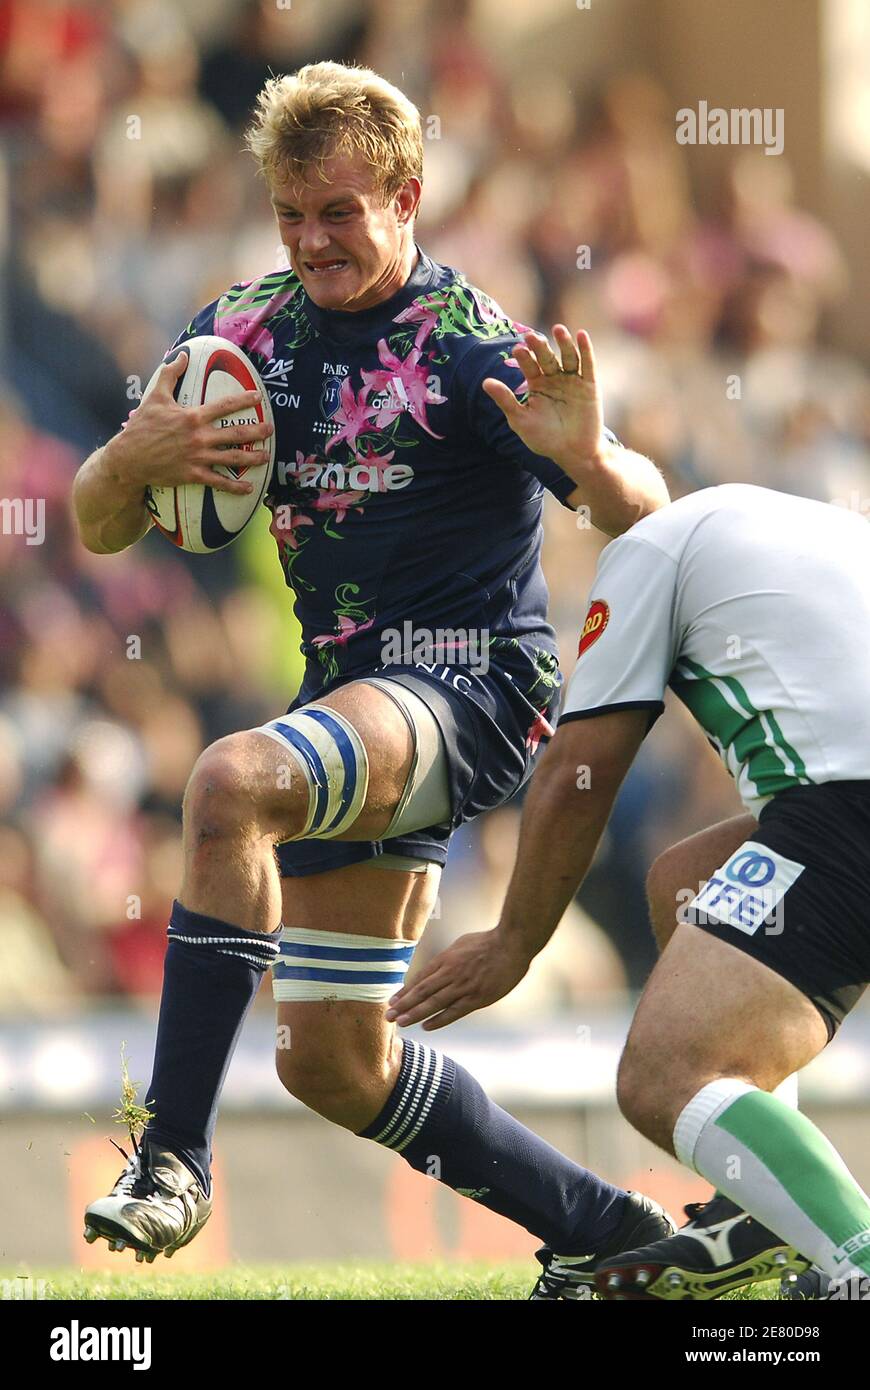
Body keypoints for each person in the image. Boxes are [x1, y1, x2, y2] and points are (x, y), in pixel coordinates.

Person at [71, 61, 671, 1298]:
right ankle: (618, 1234)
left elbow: (643, 510)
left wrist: (593, 461)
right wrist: (136, 454)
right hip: (352, 699)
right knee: (332, 1061)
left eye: (339, 213)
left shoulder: (471, 346)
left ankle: (170, 1159)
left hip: (472, 686)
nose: (312, 241)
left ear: (405, 196)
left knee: (233, 779)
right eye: (292, 215)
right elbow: (95, 522)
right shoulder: (239, 332)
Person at [390, 482, 870, 1300]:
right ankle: (758, 1213)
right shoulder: (809, 523)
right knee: (686, 884)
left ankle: (855, 1257)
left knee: (662, 1078)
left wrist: (516, 943)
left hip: (848, 811)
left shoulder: (652, 547)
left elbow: (580, 774)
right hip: (837, 806)